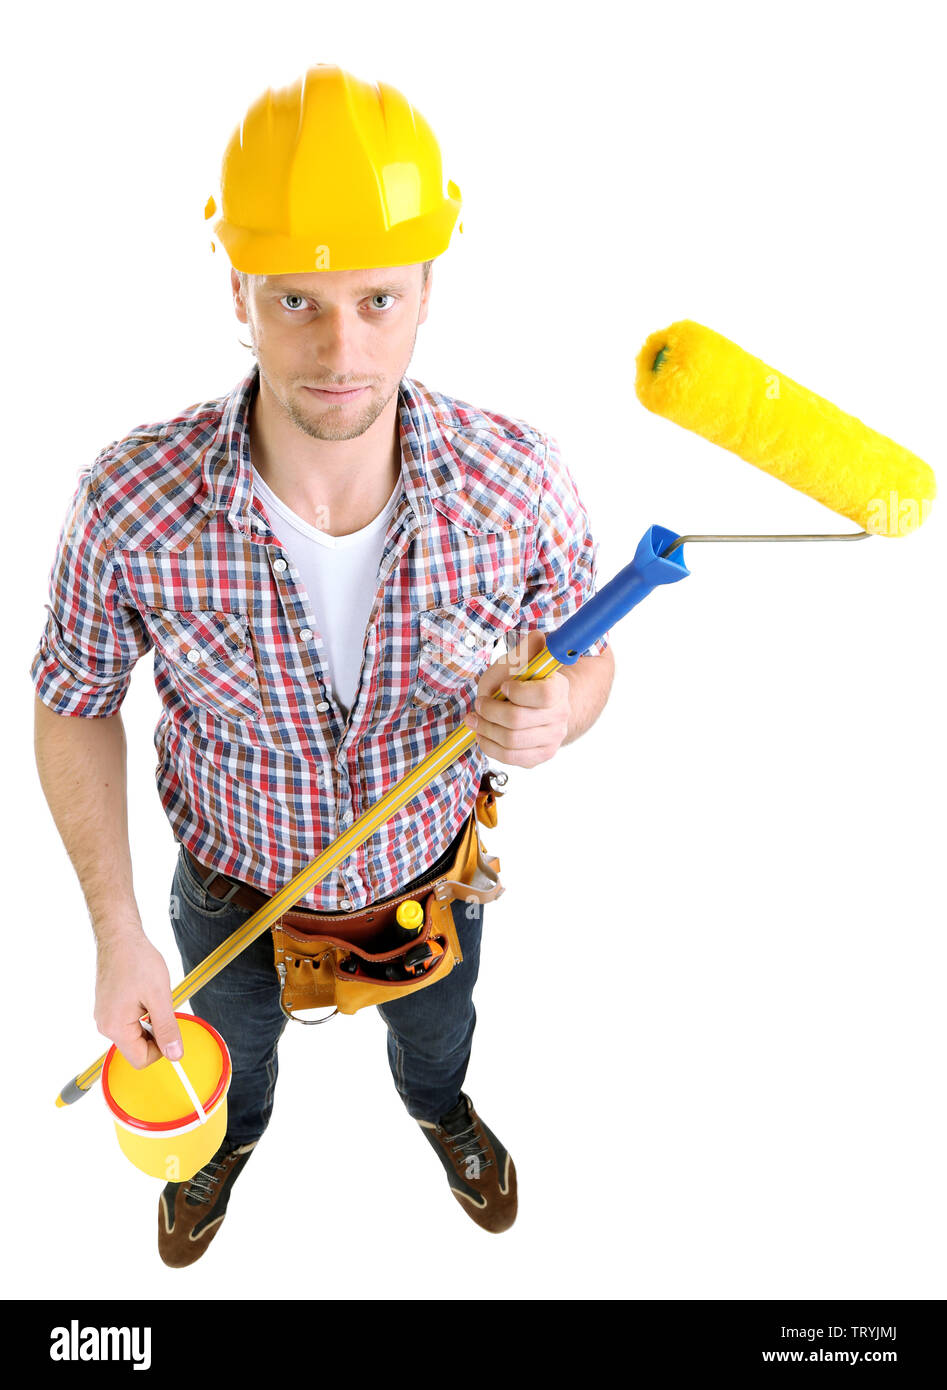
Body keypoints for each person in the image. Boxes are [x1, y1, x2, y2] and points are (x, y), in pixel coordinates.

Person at [31, 64, 615, 1267]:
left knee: (439, 1036)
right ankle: (228, 1142)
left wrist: (560, 708)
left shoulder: (519, 484)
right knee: (228, 1062)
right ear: (235, 285)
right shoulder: (128, 500)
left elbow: (585, 658)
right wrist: (118, 928)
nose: (339, 347)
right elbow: (73, 701)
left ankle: (438, 1108)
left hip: (428, 887)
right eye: (295, 298)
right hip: (227, 900)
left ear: (426, 288)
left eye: (375, 300)